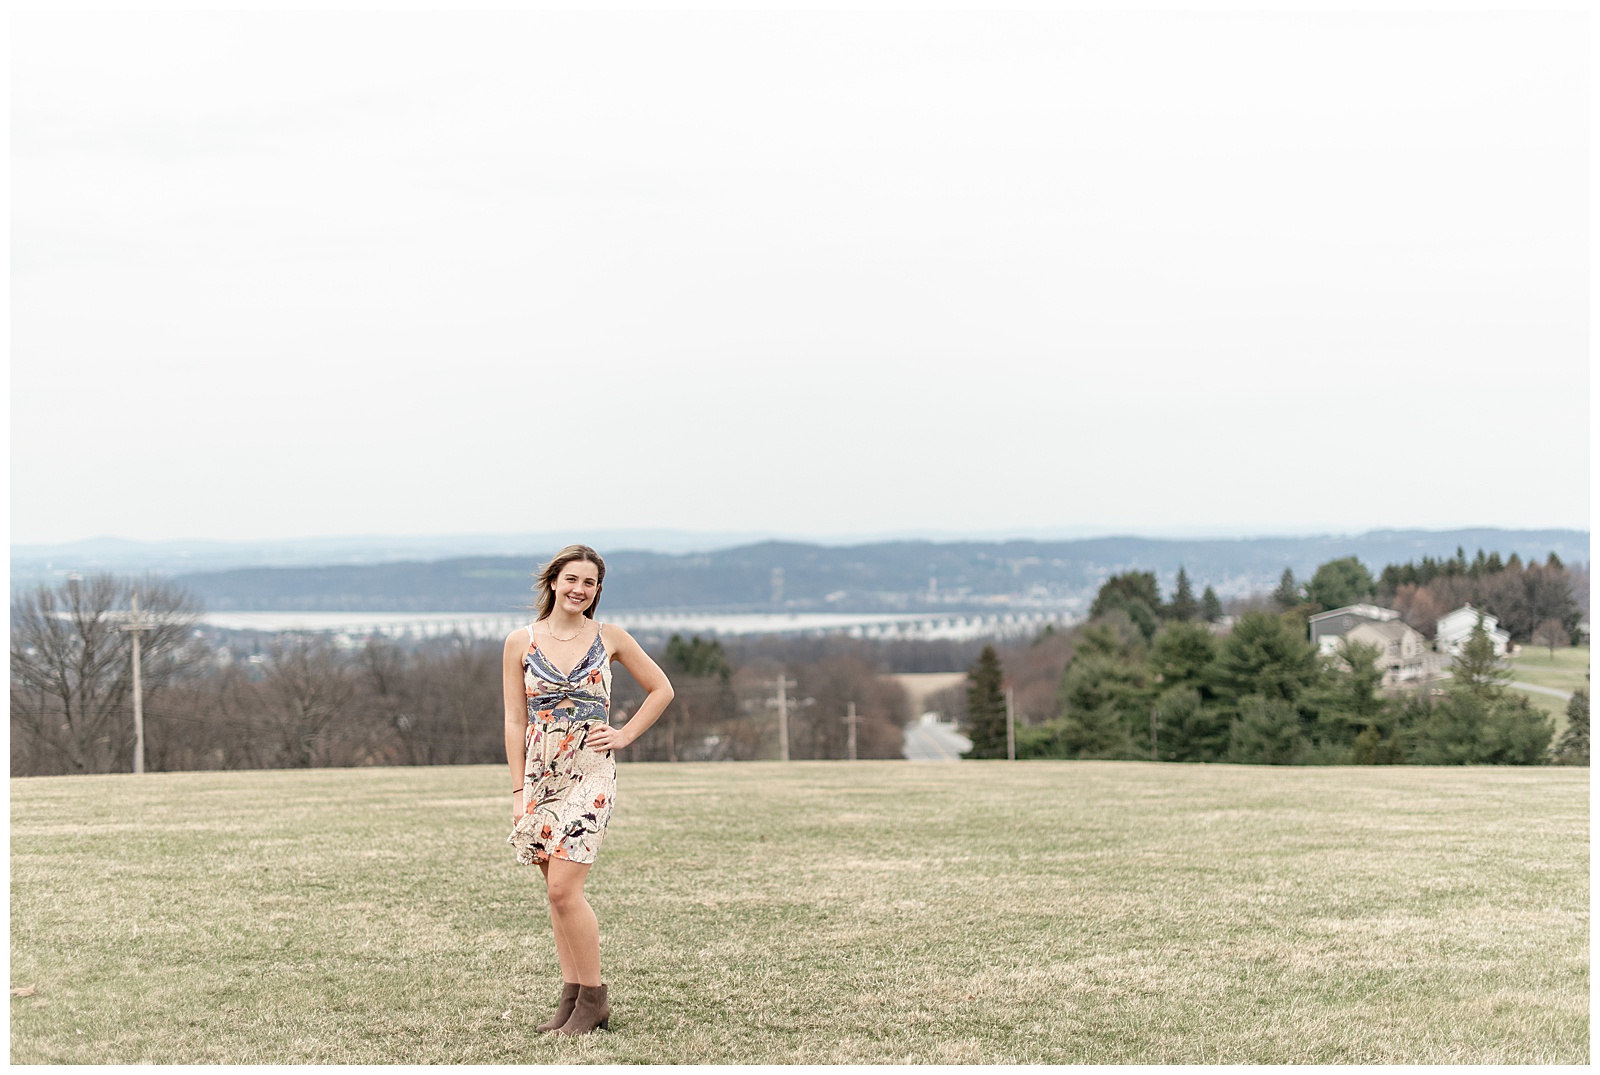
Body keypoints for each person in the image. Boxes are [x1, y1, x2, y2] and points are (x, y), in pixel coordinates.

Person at [503, 544, 674, 1036]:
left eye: (590, 583)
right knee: (554, 897)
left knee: (564, 888)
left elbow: (661, 688)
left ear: (597, 591)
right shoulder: (521, 641)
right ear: (553, 582)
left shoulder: (610, 637)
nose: (580, 589)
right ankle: (572, 996)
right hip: (541, 778)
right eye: (572, 579)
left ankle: (594, 998)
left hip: (591, 774)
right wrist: (519, 791)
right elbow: (515, 719)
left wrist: (623, 734)